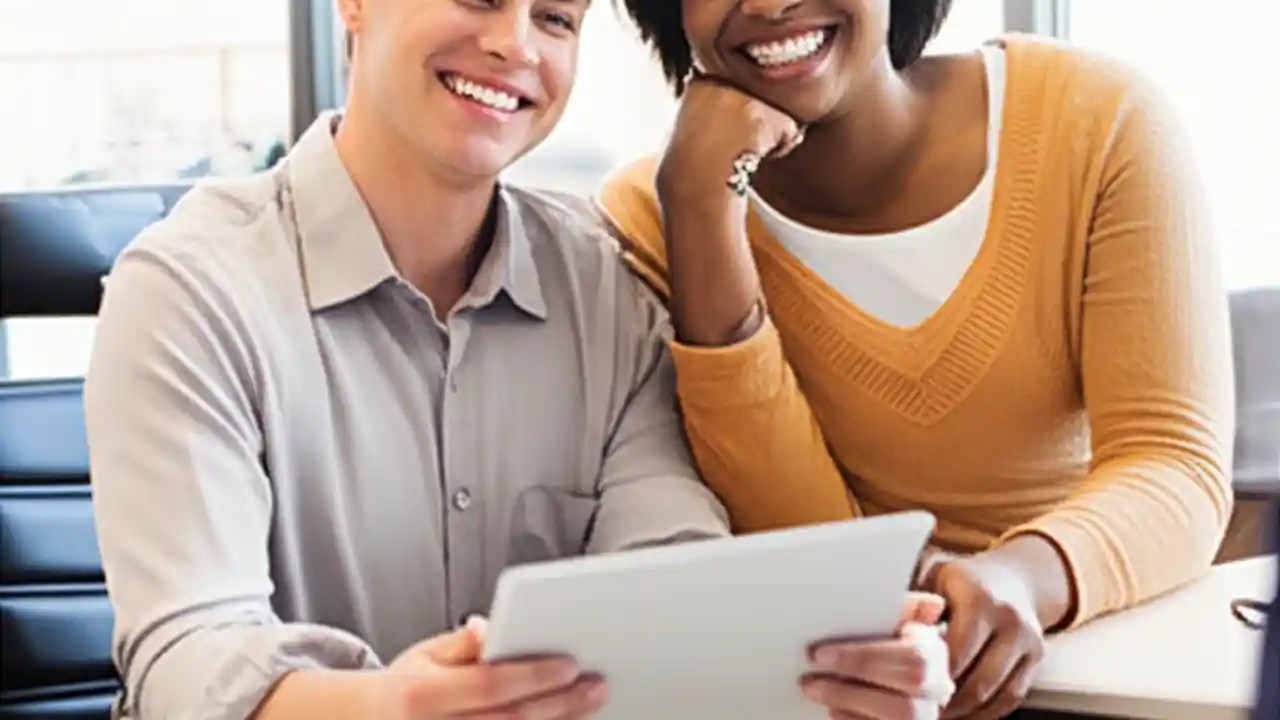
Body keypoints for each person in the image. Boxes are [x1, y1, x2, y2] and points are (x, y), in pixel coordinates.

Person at [85, 0, 953, 718]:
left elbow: (673, 579)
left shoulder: (607, 292)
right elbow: (185, 663)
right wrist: (390, 708)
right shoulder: (188, 290)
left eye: (555, 19)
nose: (513, 46)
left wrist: (829, 660)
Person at [599, 1, 1236, 718]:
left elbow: (1174, 465)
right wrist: (700, 212)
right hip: (860, 694)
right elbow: (808, 542)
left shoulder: (1095, 119)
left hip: (1112, 677)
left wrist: (1020, 579)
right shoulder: (651, 221)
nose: (770, 4)